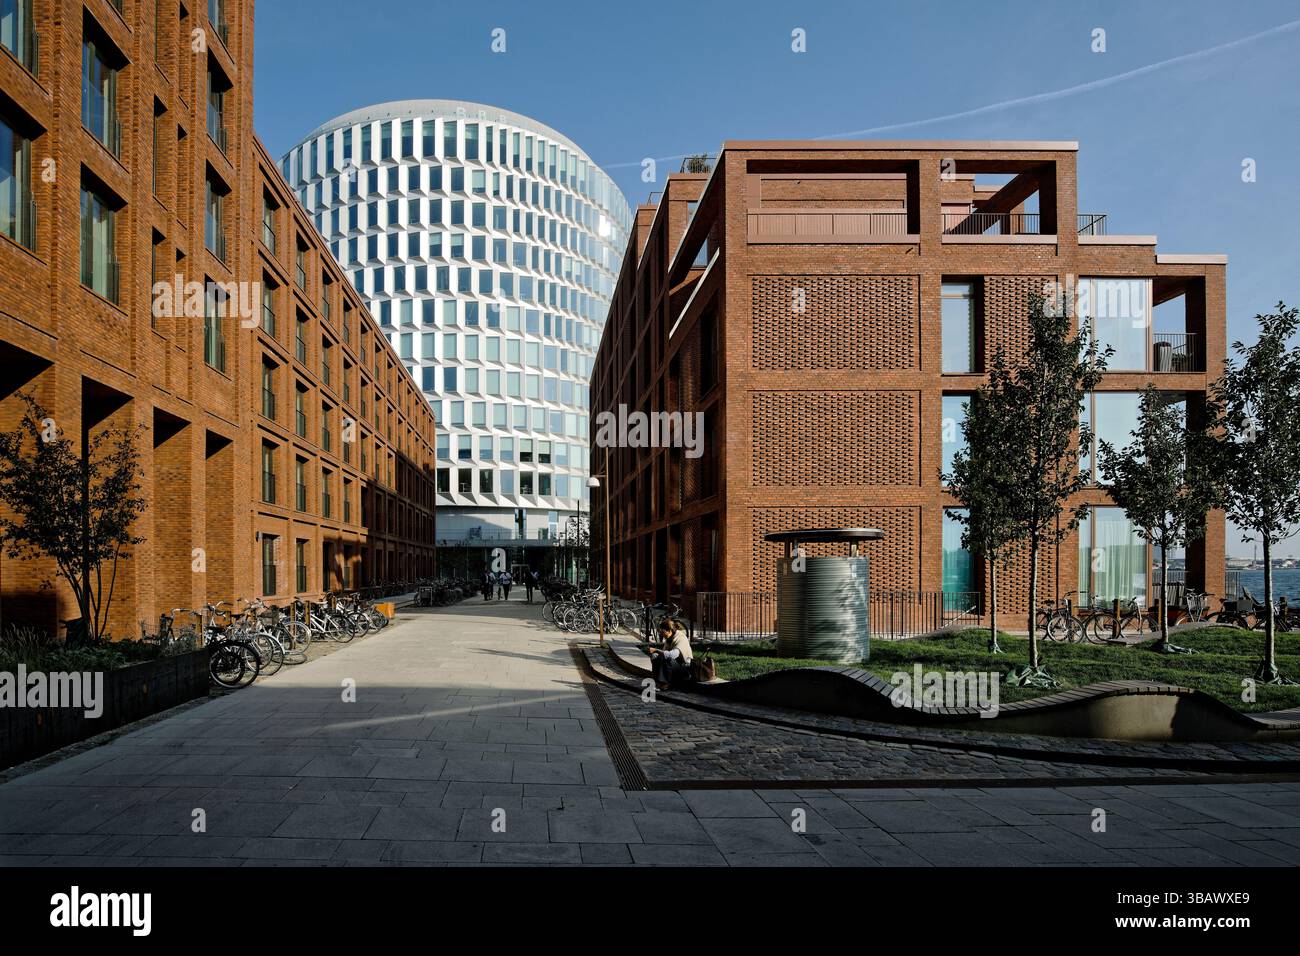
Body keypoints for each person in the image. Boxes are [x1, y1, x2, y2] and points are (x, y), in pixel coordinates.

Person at [646, 618, 693, 691]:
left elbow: (671, 655)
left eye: (663, 632)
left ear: (669, 631)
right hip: (674, 665)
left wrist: (656, 650)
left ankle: (666, 683)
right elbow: (664, 653)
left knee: (666, 658)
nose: (662, 635)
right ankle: (658, 681)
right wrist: (654, 654)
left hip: (684, 667)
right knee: (655, 656)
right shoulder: (669, 638)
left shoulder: (680, 637)